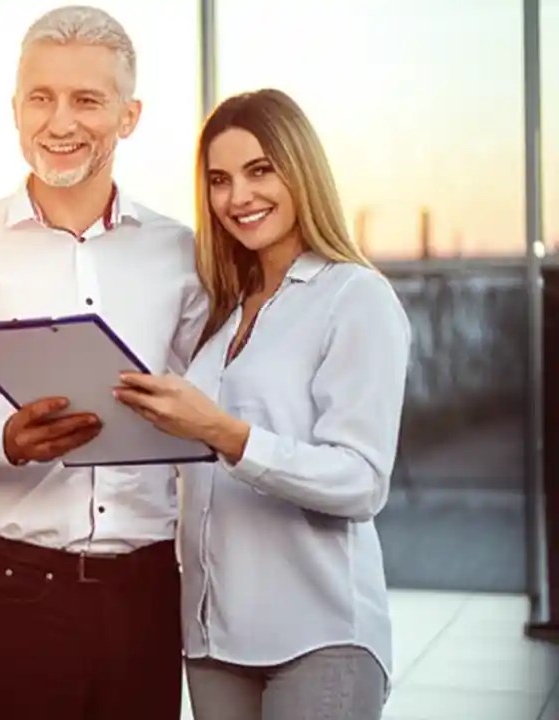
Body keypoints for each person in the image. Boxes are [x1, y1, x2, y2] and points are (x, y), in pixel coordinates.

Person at [0, 5, 207, 719]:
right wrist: (0, 442)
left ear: (129, 115)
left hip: (146, 594)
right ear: (15, 109)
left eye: (87, 99)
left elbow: (210, 415)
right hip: (15, 593)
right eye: (40, 97)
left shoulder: (182, 257)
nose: (60, 121)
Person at [113, 88, 410, 719]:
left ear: (300, 170)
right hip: (212, 637)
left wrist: (226, 433)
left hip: (319, 634)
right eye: (220, 180)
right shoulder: (221, 318)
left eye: (260, 170)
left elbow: (361, 480)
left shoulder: (355, 298)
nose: (238, 197)